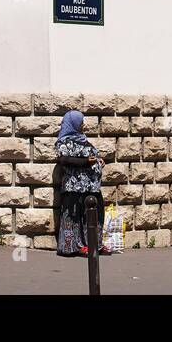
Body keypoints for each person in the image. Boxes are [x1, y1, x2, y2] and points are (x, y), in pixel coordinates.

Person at [53, 109, 103, 257]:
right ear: (73, 123)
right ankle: (70, 247)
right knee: (73, 217)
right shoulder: (64, 142)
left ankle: (93, 245)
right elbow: (64, 160)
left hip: (91, 187)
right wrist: (86, 162)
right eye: (81, 122)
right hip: (74, 188)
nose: (83, 125)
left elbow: (91, 155)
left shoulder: (83, 139)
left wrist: (98, 161)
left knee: (93, 216)